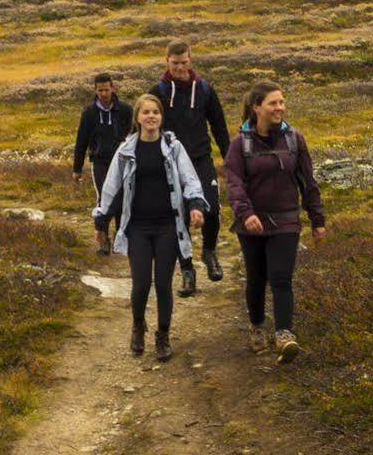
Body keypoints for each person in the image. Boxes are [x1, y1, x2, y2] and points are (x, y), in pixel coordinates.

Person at [94, 93, 207, 361]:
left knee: (164, 285)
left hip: (168, 226)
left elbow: (189, 178)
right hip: (138, 228)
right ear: (138, 118)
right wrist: (101, 220)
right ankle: (137, 325)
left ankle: (163, 335)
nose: (151, 117)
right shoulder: (126, 151)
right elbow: (111, 188)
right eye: (146, 112)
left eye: (155, 112)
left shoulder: (173, 147)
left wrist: (195, 205)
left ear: (160, 117)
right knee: (142, 283)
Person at [224, 81, 326, 364]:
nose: (279, 107)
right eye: (273, 103)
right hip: (252, 224)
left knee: (281, 277)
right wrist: (246, 214)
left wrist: (317, 219)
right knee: (257, 279)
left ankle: (284, 334)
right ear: (257, 107)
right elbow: (234, 184)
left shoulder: (295, 139)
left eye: (282, 102)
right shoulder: (239, 145)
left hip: (286, 221)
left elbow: (308, 182)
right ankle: (257, 327)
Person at [155, 39, 231, 297]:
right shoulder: (159, 91)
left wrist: (230, 158)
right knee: (178, 218)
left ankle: (209, 250)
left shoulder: (205, 89)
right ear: (167, 61)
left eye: (184, 63)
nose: (179, 67)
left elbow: (218, 124)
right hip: (171, 163)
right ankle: (187, 271)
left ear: (191, 61)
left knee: (211, 207)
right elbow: (145, 124)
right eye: (175, 63)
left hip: (201, 159)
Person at [73, 73, 131, 256]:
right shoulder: (89, 113)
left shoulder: (125, 110)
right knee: (104, 199)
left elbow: (134, 135)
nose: (104, 94)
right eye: (100, 90)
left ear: (113, 88)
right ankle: (103, 240)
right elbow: (81, 141)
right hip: (100, 161)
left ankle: (121, 238)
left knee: (123, 199)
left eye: (106, 89)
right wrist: (77, 168)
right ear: (95, 90)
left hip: (122, 162)